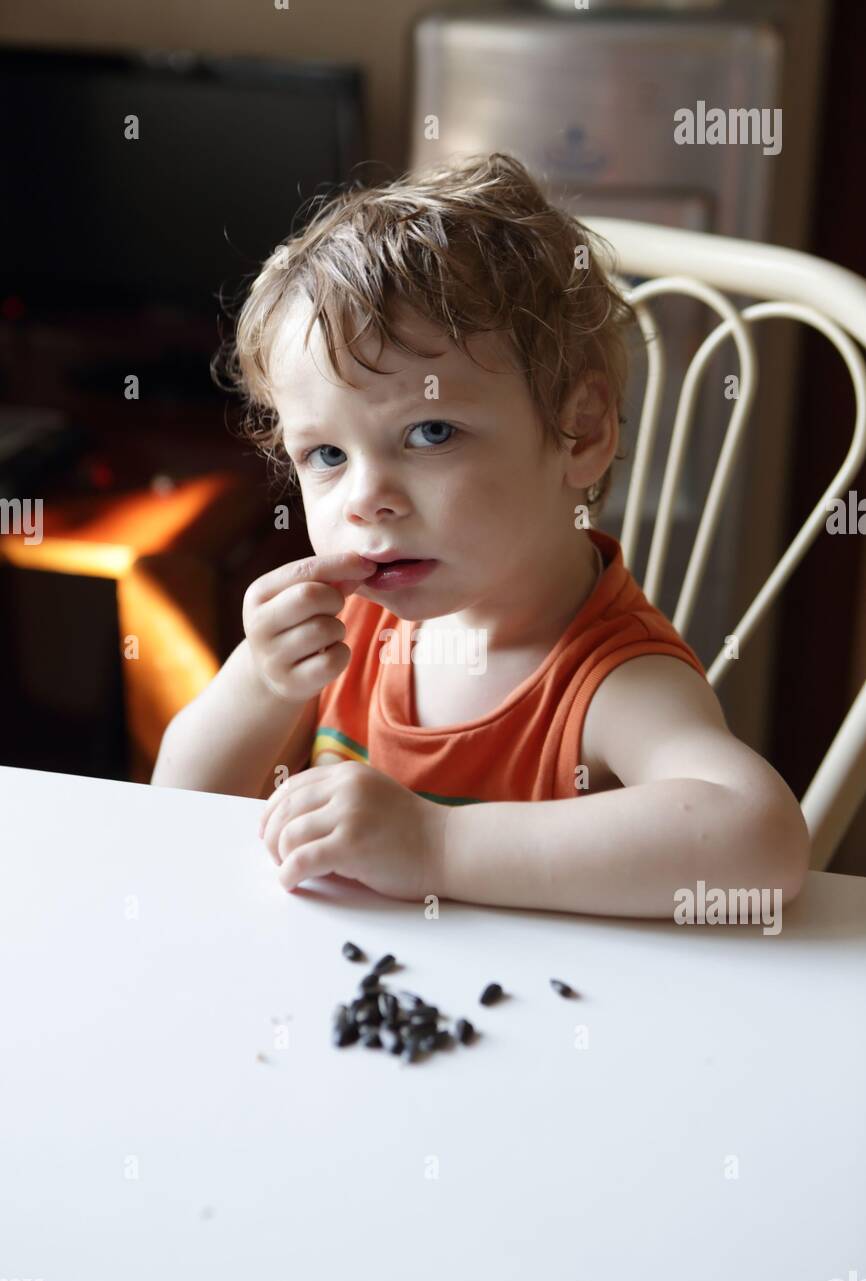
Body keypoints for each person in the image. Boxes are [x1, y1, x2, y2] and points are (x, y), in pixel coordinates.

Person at [152, 152, 809, 919]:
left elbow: (763, 843)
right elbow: (175, 808)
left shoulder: (605, 678)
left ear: (580, 431)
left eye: (431, 432)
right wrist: (262, 686)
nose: (367, 500)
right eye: (327, 454)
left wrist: (435, 847)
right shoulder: (351, 627)